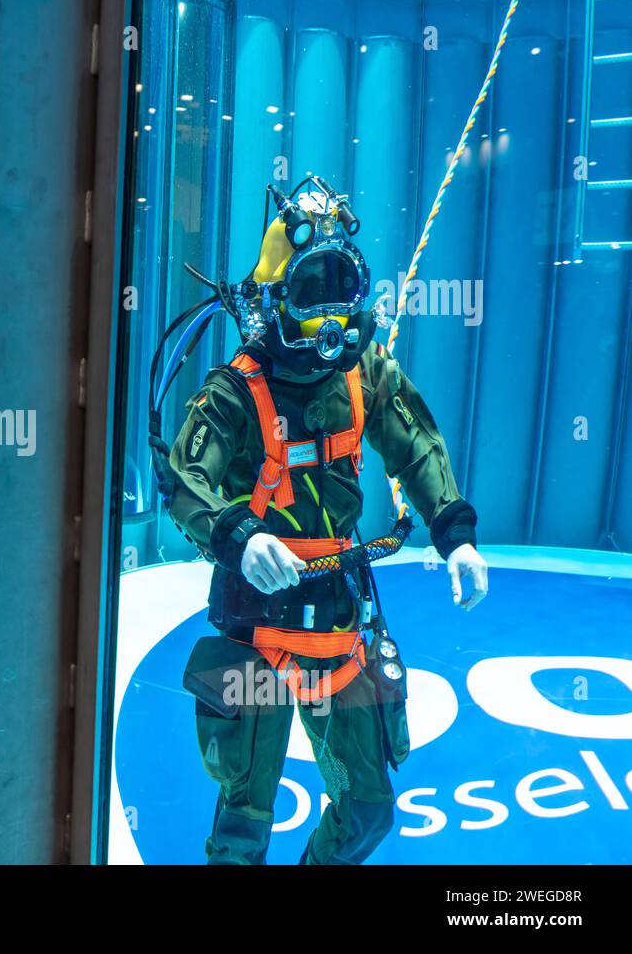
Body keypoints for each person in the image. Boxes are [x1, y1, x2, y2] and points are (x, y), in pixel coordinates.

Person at [163, 179, 488, 865]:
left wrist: (454, 533)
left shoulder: (364, 372)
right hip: (257, 631)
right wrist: (238, 537)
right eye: (315, 291)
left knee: (368, 813)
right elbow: (183, 479)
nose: (335, 314)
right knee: (244, 827)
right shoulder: (234, 391)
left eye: (347, 286)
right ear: (277, 297)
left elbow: (416, 442)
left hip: (342, 627)